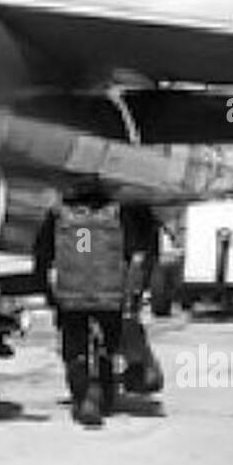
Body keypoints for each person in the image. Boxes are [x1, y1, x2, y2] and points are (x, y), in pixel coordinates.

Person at [37, 177, 160, 427]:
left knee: (74, 349)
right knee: (108, 348)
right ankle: (103, 394)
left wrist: (48, 293)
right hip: (110, 295)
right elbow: (136, 254)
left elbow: (41, 255)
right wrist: (134, 293)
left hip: (70, 296)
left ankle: (83, 396)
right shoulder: (118, 213)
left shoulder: (58, 214)